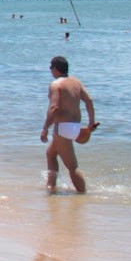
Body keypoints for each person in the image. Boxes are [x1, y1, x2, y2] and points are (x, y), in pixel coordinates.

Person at [40, 55, 97, 193]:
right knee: (50, 153)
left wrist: (45, 129)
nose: (50, 70)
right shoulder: (76, 83)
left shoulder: (56, 84)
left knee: (72, 166)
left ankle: (83, 195)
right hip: (75, 127)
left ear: (55, 68)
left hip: (62, 128)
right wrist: (91, 122)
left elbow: (54, 108)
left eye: (50, 68)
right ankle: (51, 186)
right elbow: (89, 101)